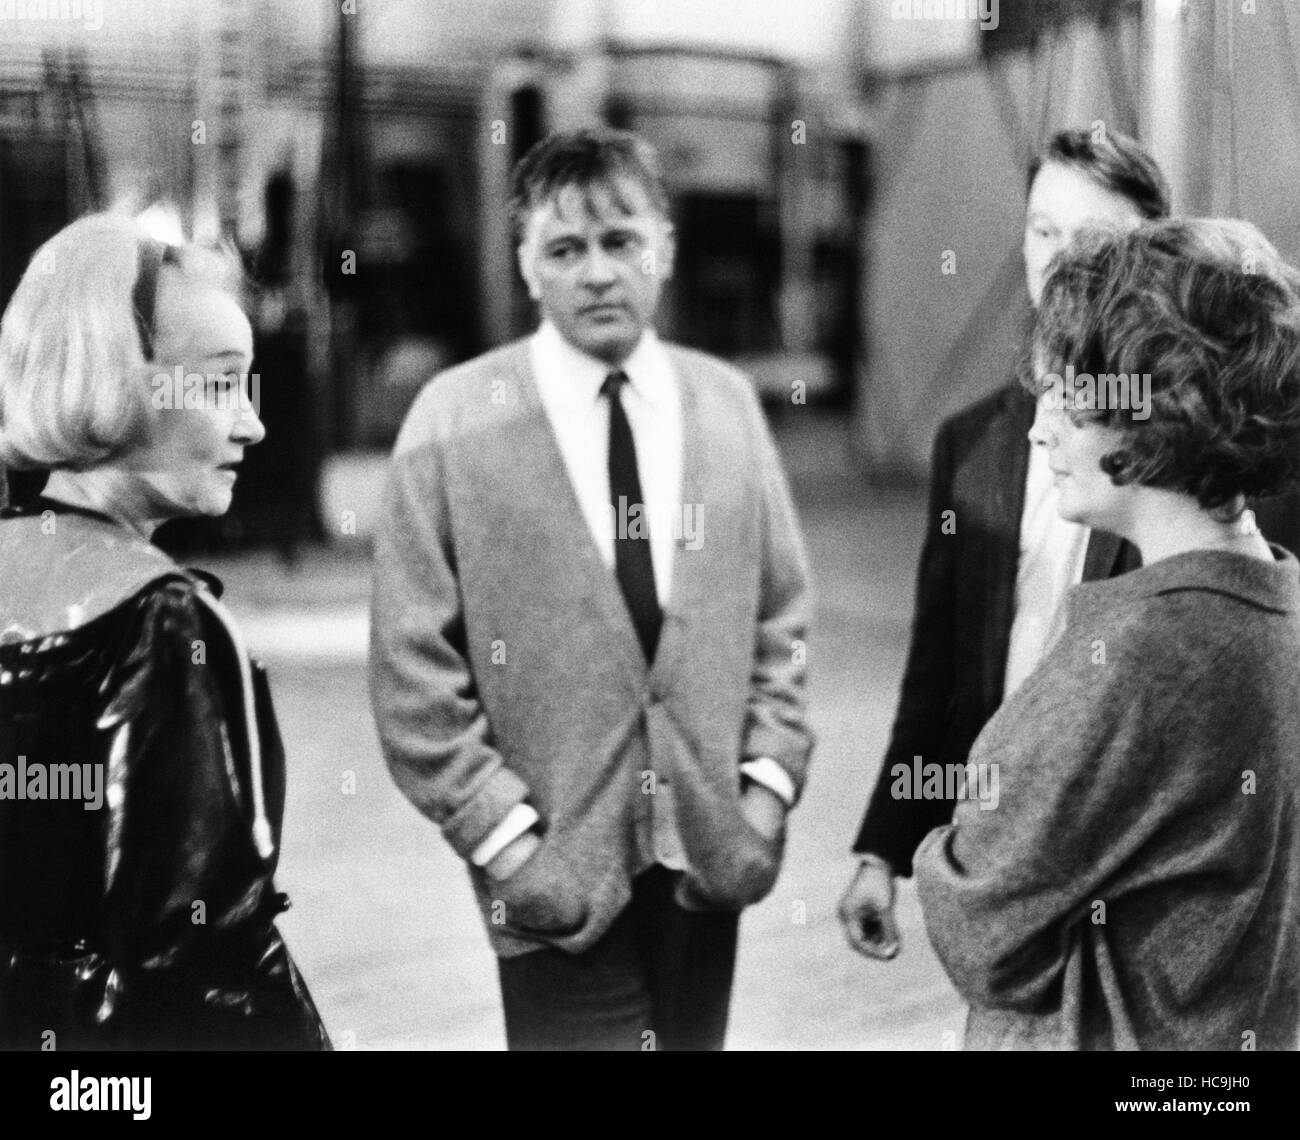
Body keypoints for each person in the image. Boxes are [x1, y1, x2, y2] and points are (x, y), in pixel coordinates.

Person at [369, 127, 814, 1051]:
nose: (598, 273)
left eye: (622, 242)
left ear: (666, 249)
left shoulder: (726, 404)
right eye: (565, 250)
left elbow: (783, 620)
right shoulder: (452, 422)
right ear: (526, 266)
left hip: (705, 858)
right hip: (553, 871)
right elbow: (412, 672)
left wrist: (763, 794)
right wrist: (509, 849)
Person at [915, 217, 1300, 1050]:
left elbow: (979, 922)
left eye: (1064, 396)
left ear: (1151, 414)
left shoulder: (1130, 657)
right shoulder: (1283, 609)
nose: (1036, 428)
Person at [838, 127, 1174, 960]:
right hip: (998, 834)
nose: (1058, 261)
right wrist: (883, 848)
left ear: (1150, 248)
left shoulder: (1190, 443)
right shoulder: (974, 444)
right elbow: (939, 664)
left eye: (1090, 238)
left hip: (1136, 856)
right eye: (1042, 230)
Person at [0, 214, 329, 1050]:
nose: (252, 425)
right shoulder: (158, 617)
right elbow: (199, 954)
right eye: (220, 385)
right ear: (115, 380)